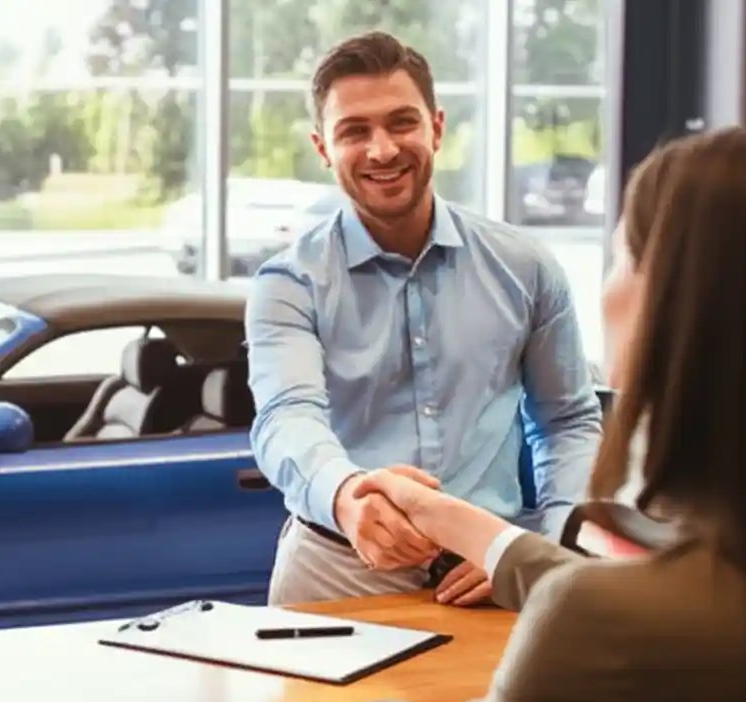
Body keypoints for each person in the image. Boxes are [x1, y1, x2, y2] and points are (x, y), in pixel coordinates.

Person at [352, 126, 746, 702]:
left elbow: (602, 607)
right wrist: (447, 519)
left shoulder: (599, 619)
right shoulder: (723, 579)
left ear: (681, 299)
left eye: (622, 255)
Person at [245, 30, 603, 606]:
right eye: (354, 131)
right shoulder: (288, 284)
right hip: (337, 570)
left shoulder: (525, 266)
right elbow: (286, 417)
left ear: (436, 128)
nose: (382, 149)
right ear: (323, 148)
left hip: (489, 573)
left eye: (401, 123)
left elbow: (567, 422)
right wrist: (346, 496)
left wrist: (542, 550)